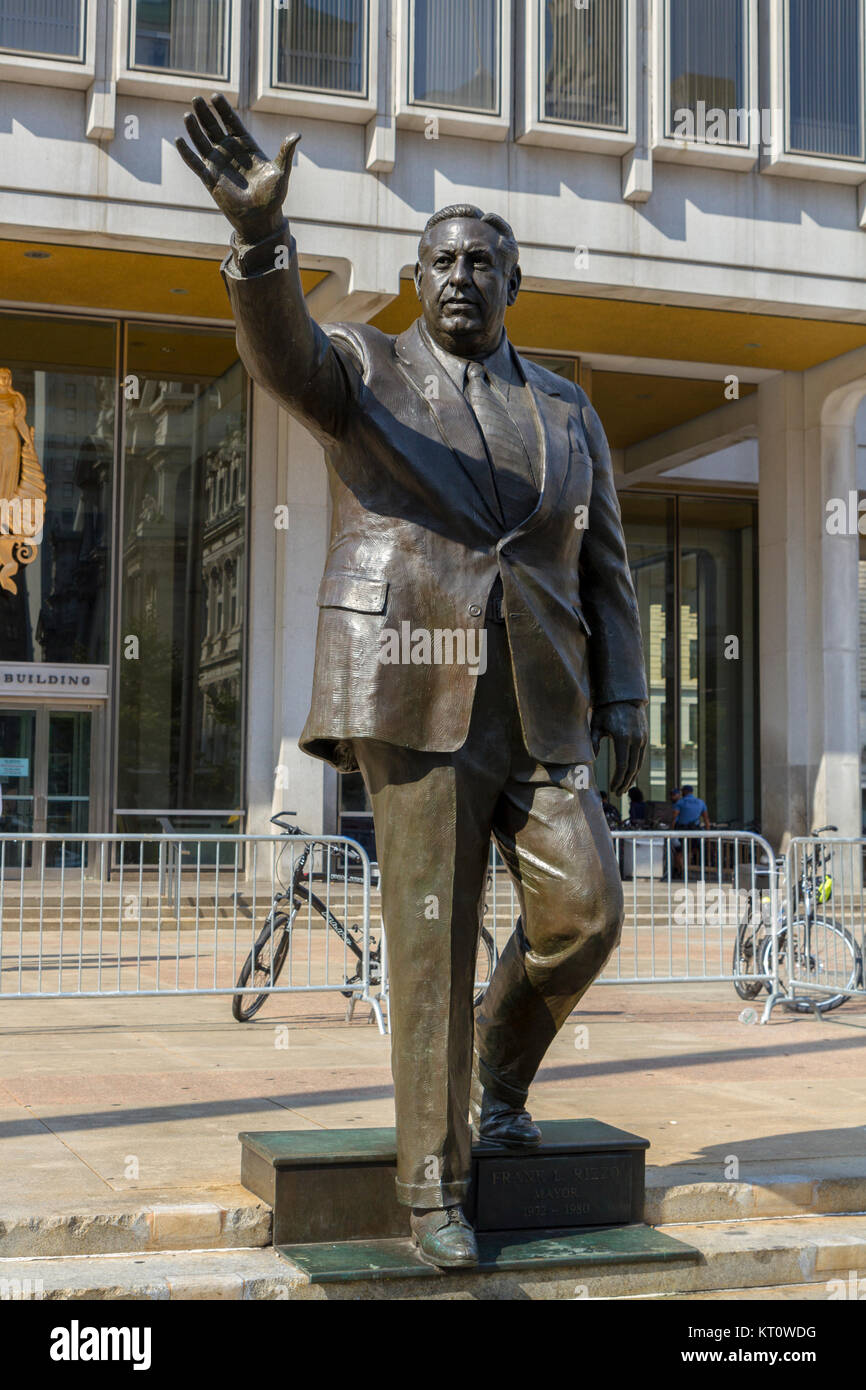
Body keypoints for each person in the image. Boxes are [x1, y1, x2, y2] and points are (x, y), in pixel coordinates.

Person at [176, 97, 648, 1269]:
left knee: (585, 913)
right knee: (430, 934)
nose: (459, 277)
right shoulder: (369, 368)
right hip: (408, 680)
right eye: (440, 259)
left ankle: (494, 1076)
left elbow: (608, 570)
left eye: (481, 262)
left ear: (511, 282)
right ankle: (430, 1185)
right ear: (415, 274)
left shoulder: (565, 410)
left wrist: (627, 697)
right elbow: (280, 351)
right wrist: (258, 245)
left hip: (541, 699)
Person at [672, 784, 710, 876]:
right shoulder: (701, 802)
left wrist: (671, 830)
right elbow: (706, 819)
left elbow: (674, 818)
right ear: (692, 792)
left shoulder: (680, 802)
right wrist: (708, 832)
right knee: (692, 850)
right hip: (695, 832)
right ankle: (689, 869)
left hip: (682, 831)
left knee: (679, 851)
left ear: (684, 792)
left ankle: (681, 870)